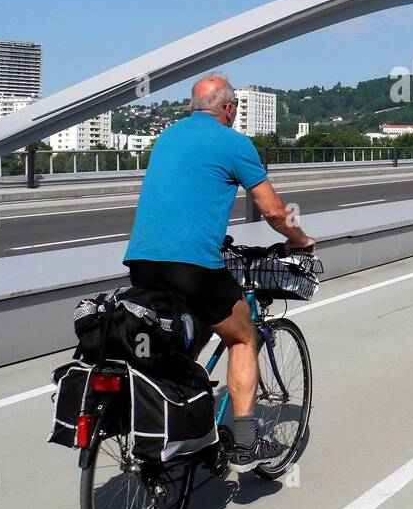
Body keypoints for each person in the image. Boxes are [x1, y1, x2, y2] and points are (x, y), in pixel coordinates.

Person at [123, 73, 314, 473]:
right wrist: (300, 239)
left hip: (141, 262)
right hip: (192, 264)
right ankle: (245, 443)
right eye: (235, 110)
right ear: (229, 109)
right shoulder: (233, 142)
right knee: (242, 336)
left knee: (188, 332)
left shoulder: (167, 137)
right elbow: (275, 211)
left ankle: (177, 413)